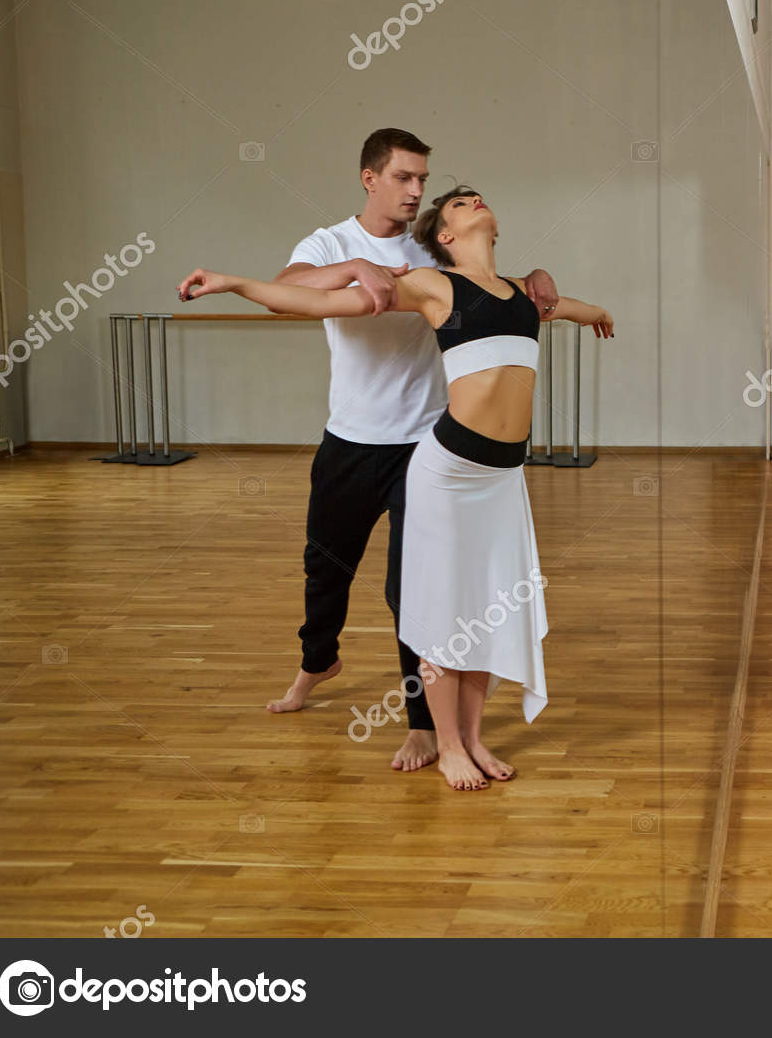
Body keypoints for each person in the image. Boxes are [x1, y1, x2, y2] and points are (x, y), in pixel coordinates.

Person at [180, 184, 613, 789]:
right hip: (448, 472)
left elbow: (570, 309)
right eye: (460, 203)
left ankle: (476, 738)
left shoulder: (522, 293)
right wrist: (237, 283)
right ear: (444, 236)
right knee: (440, 609)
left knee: (486, 611)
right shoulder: (435, 285)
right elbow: (319, 304)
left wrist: (597, 314)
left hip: (503, 479)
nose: (474, 202)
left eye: (478, 198)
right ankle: (449, 745)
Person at [258, 128, 556, 776]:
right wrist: (355, 267)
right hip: (353, 436)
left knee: (411, 589)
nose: (417, 189)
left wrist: (535, 277)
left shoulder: (433, 247)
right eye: (403, 177)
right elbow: (291, 287)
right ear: (370, 178)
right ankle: (318, 661)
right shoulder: (332, 240)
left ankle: (426, 726)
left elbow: (490, 293)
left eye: (423, 178)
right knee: (325, 564)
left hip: (429, 443)